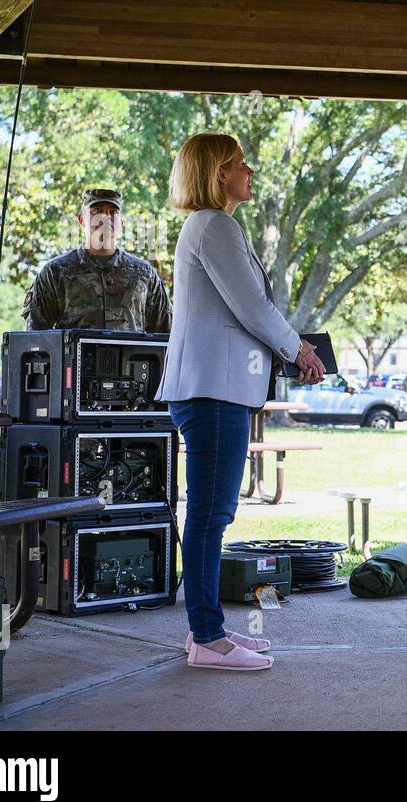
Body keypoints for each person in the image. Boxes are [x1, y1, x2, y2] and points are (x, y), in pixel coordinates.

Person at [156, 133, 326, 671]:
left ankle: (207, 631)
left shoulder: (211, 227)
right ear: (218, 174)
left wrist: (289, 348)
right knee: (210, 515)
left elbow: (244, 311)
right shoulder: (214, 225)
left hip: (215, 391)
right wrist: (298, 348)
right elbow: (253, 307)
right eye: (239, 164)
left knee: (213, 513)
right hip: (212, 393)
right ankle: (206, 637)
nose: (250, 170)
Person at [23, 188, 172, 332]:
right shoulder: (55, 272)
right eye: (97, 211)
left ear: (122, 222)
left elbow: (166, 335)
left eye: (113, 212)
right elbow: (36, 337)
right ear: (81, 219)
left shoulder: (143, 273)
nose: (106, 217)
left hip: (130, 358)